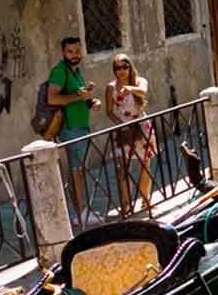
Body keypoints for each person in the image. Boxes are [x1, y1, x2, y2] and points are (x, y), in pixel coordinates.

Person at [48, 36, 102, 221]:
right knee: (76, 172)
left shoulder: (76, 72)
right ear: (63, 53)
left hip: (81, 126)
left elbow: (80, 98)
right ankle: (80, 214)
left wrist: (92, 101)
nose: (74, 55)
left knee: (80, 171)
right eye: (70, 52)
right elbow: (52, 98)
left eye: (77, 51)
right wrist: (79, 97)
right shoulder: (59, 72)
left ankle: (82, 211)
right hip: (70, 129)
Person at [104, 53, 156, 216]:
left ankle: (145, 200)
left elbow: (143, 91)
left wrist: (130, 88)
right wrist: (121, 125)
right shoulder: (111, 87)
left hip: (141, 125)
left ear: (130, 66)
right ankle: (126, 205)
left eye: (125, 66)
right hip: (123, 128)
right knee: (122, 168)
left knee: (144, 164)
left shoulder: (139, 81)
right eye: (118, 68)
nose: (122, 71)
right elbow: (109, 111)